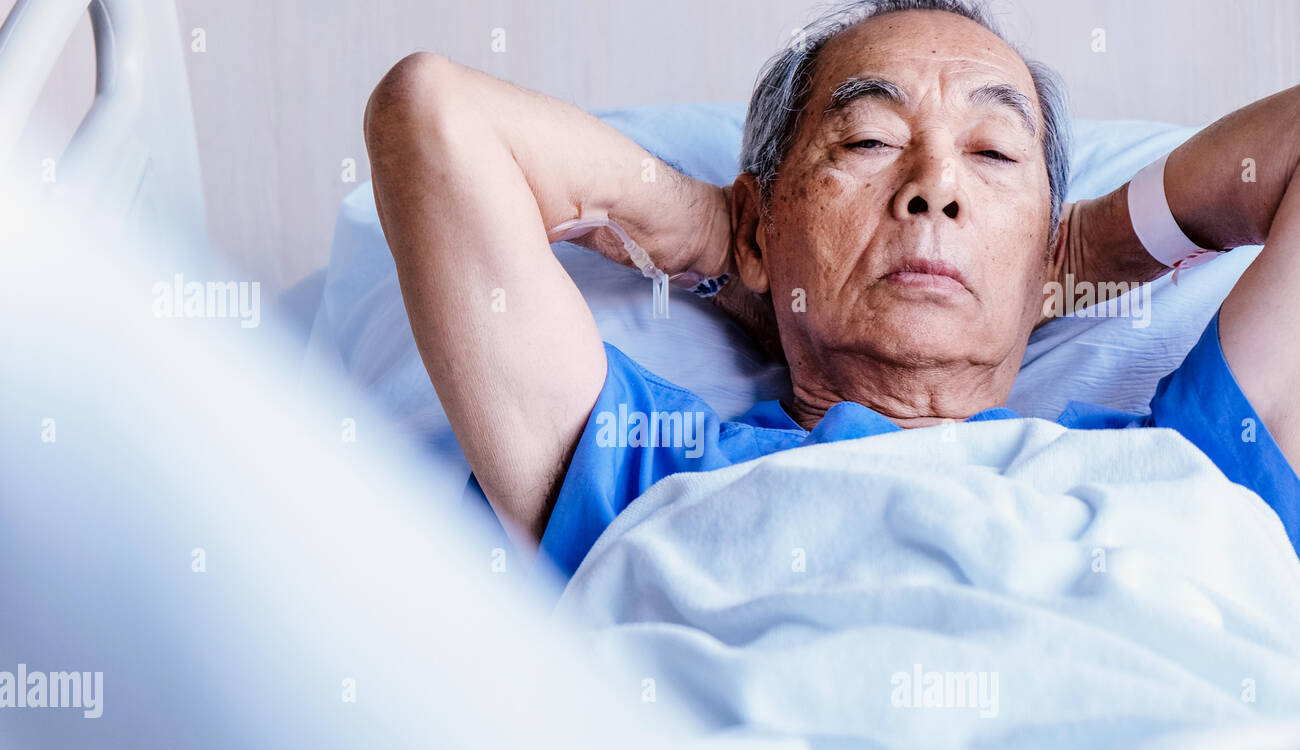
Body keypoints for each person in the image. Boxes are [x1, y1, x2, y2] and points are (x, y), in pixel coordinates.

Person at [363, 0, 1300, 578]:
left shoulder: (1205, 464)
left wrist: (1089, 245)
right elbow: (430, 115)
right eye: (868, 142)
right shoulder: (643, 475)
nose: (936, 187)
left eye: (994, 154)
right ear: (765, 223)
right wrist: (722, 237)